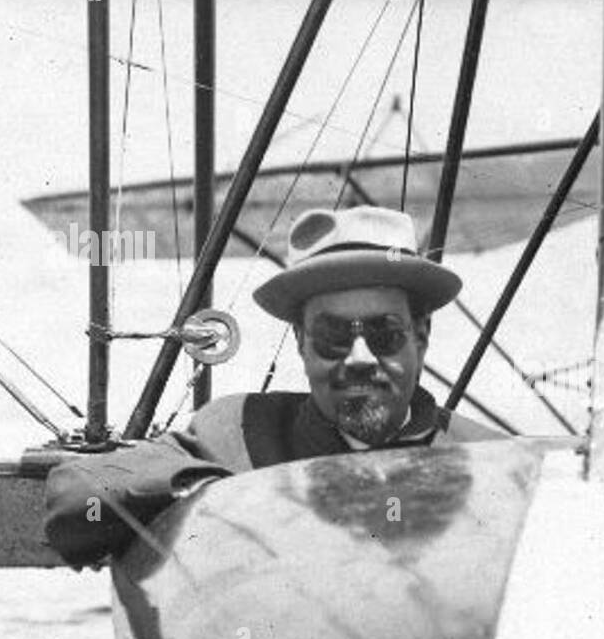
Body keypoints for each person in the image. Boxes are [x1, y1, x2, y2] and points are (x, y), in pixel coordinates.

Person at [44, 205, 502, 567]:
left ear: (421, 337)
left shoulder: (492, 460)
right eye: (333, 337)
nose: (360, 358)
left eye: (384, 334)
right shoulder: (238, 434)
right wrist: (209, 495)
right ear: (301, 343)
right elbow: (80, 498)